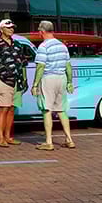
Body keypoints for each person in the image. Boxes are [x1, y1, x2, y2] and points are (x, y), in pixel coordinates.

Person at [31, 21, 75, 150]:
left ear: (42, 32)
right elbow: (68, 66)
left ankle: (49, 142)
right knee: (61, 110)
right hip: (61, 78)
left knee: (47, 110)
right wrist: (70, 82)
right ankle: (69, 139)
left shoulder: (43, 47)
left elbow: (40, 67)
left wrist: (35, 85)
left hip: (48, 78)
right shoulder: (62, 46)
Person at [0, 19, 28, 147]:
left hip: (17, 80)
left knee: (11, 109)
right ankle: (0, 138)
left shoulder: (18, 44)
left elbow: (23, 63)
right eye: (8, 28)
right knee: (3, 109)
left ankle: (9, 136)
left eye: (12, 27)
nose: (11, 29)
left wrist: (24, 79)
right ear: (1, 29)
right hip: (4, 80)